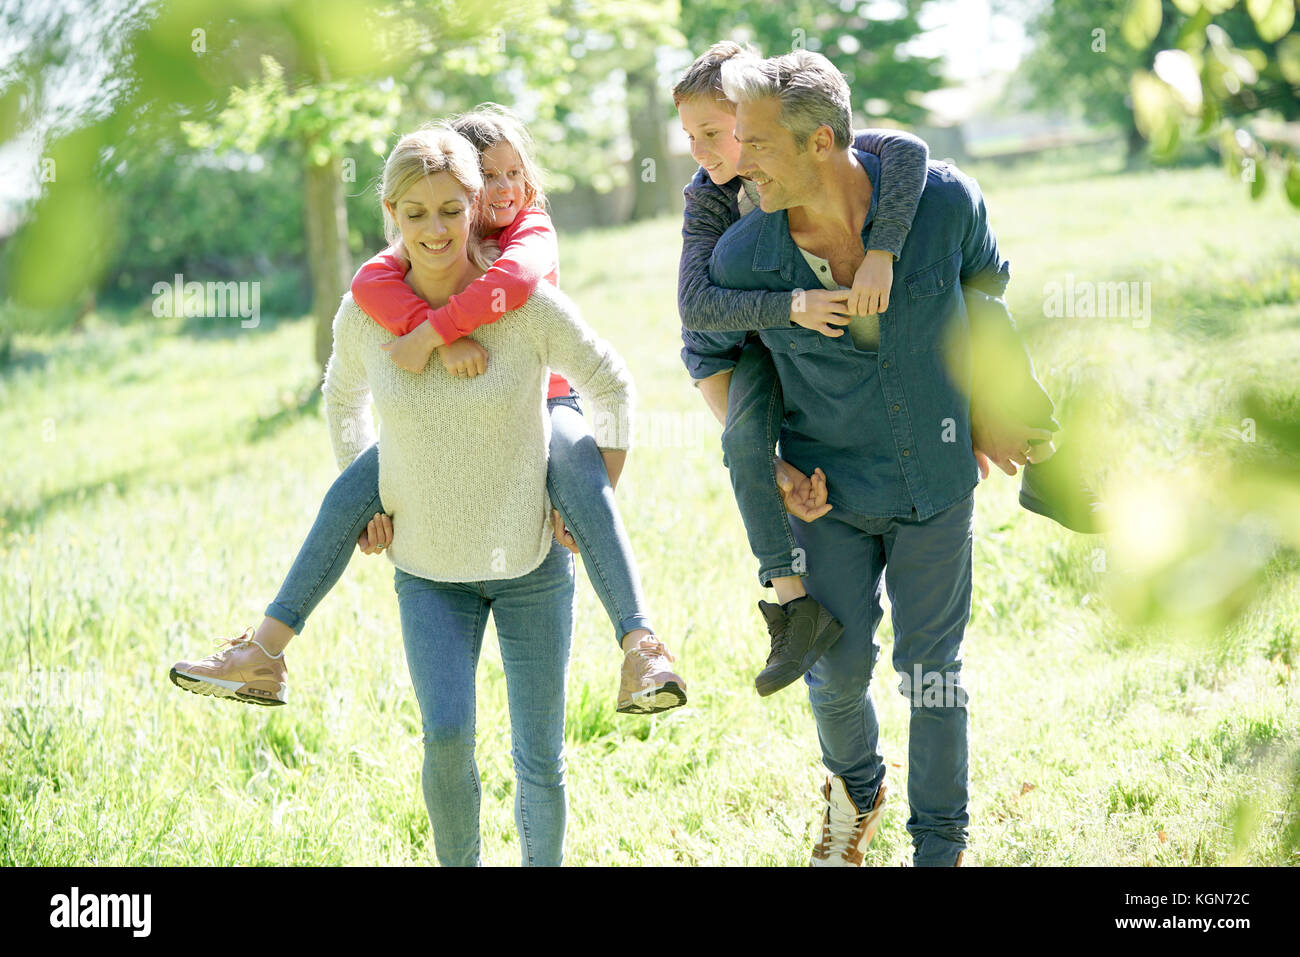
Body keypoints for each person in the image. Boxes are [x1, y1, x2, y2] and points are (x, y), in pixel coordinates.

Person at [169, 105, 684, 716]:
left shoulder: (529, 229)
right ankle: (264, 653)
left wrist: (433, 331)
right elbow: (369, 284)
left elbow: (514, 283)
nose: (501, 190)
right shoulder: (435, 225)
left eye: (512, 173)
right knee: (347, 496)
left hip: (546, 400)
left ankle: (640, 645)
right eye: (486, 177)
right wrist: (426, 333)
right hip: (443, 429)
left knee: (579, 468)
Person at [708, 50, 1059, 866]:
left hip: (936, 485)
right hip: (826, 497)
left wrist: (992, 408)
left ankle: (940, 844)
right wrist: (768, 466)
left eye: (756, 143)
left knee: (933, 672)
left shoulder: (943, 204)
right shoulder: (744, 259)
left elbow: (985, 289)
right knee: (836, 672)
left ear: (820, 142)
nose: (738, 160)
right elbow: (715, 355)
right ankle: (858, 785)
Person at [350, 125, 629, 864]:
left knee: (538, 752)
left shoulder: (523, 277)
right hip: (430, 563)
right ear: (396, 211)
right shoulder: (378, 291)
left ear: (477, 205)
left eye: (454, 209)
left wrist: (592, 496)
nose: (436, 227)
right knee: (445, 735)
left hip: (532, 545)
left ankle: (641, 636)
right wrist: (371, 496)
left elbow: (613, 382)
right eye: (418, 213)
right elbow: (342, 390)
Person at [672, 41, 933, 697]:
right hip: (751, 341)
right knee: (740, 441)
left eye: (714, 133)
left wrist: (883, 249)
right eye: (690, 137)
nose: (703, 152)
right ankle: (794, 606)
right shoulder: (708, 195)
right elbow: (697, 307)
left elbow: (906, 150)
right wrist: (791, 307)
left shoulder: (803, 139)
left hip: (840, 348)